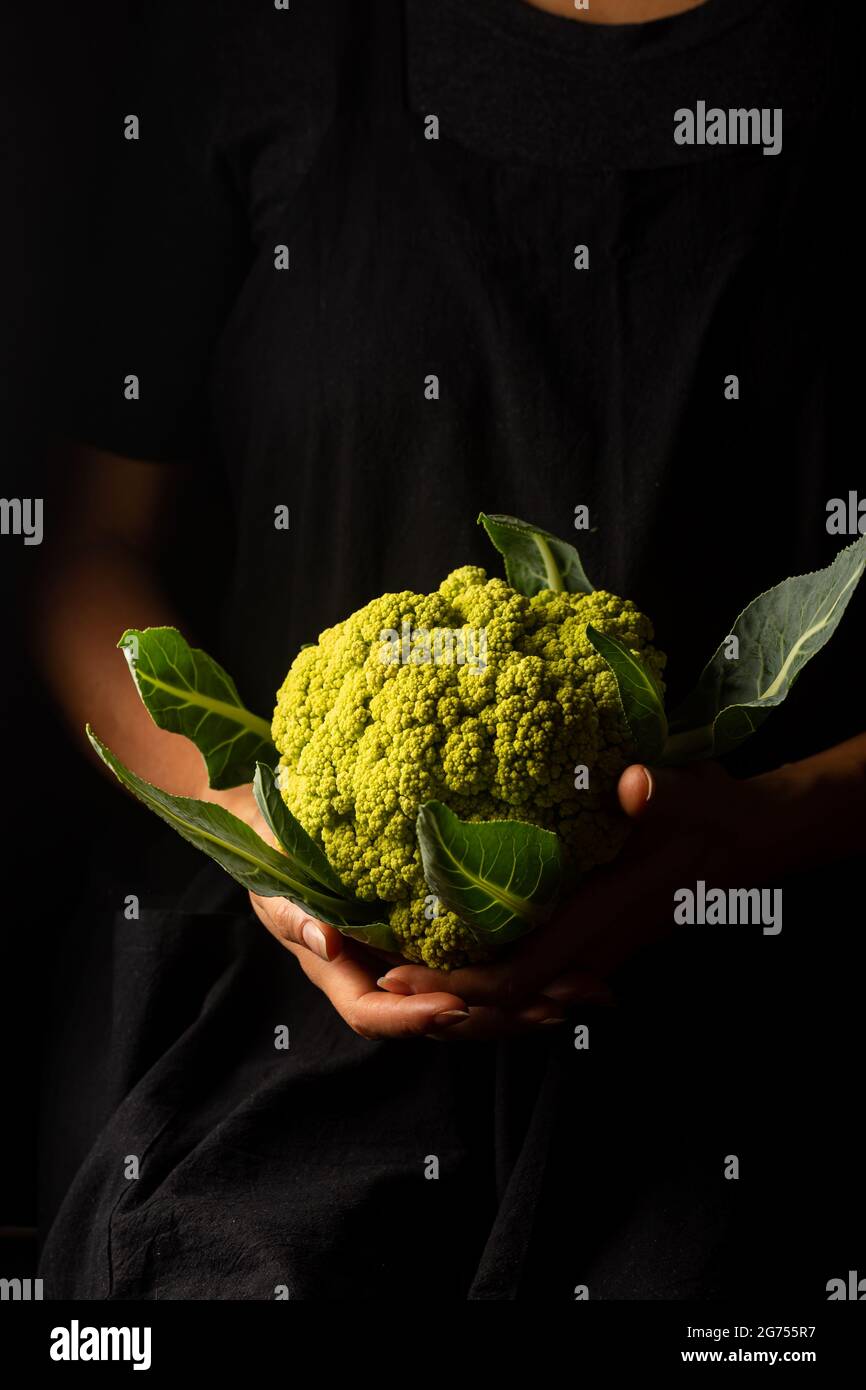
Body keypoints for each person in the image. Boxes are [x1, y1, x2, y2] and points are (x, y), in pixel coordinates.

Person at [36, 0, 864, 1299]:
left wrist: (760, 822)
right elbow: (80, 553)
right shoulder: (243, 41)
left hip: (757, 1016)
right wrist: (255, 827)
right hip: (269, 1013)